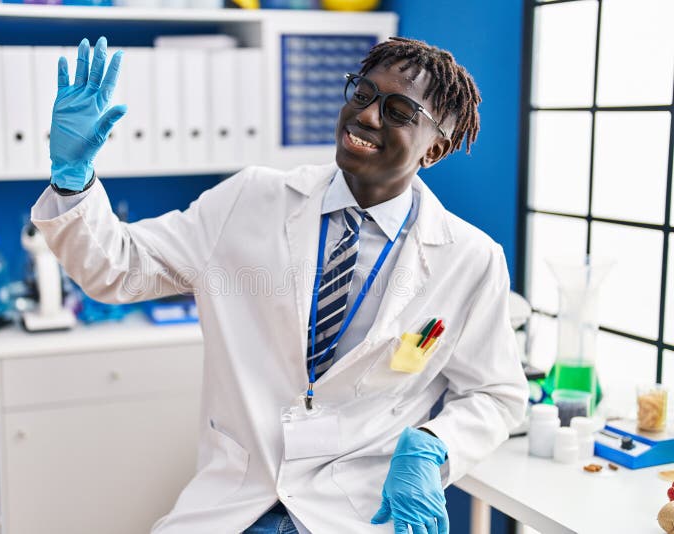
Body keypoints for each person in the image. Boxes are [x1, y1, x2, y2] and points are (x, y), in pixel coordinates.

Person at [31, 35, 528, 534]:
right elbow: (118, 268)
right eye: (362, 94)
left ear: (436, 149)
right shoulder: (251, 197)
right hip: (234, 503)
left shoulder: (471, 259)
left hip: (354, 510)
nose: (368, 117)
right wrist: (73, 179)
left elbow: (495, 394)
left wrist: (432, 447)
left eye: (399, 111)